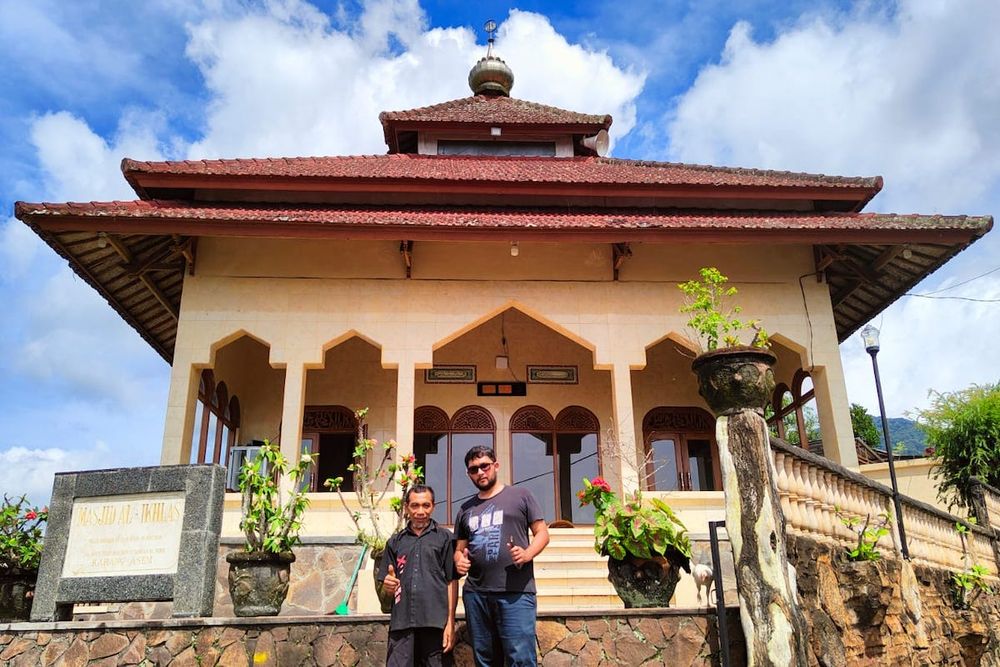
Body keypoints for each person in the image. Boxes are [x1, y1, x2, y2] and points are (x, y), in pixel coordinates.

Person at [454, 445, 550, 667]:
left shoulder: (521, 496)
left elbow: (542, 533)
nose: (480, 472)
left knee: (521, 658)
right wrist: (459, 560)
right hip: (476, 594)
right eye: (473, 469)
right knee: (485, 660)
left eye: (484, 466)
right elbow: (458, 549)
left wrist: (527, 554)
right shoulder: (465, 509)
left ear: (495, 465)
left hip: (515, 592)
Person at [378, 484, 459, 667]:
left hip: (435, 623)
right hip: (402, 624)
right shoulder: (395, 542)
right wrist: (387, 587)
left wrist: (450, 623)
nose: (420, 511)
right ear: (407, 507)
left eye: (425, 505)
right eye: (415, 505)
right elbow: (386, 588)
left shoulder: (445, 538)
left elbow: (451, 581)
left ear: (433, 506)